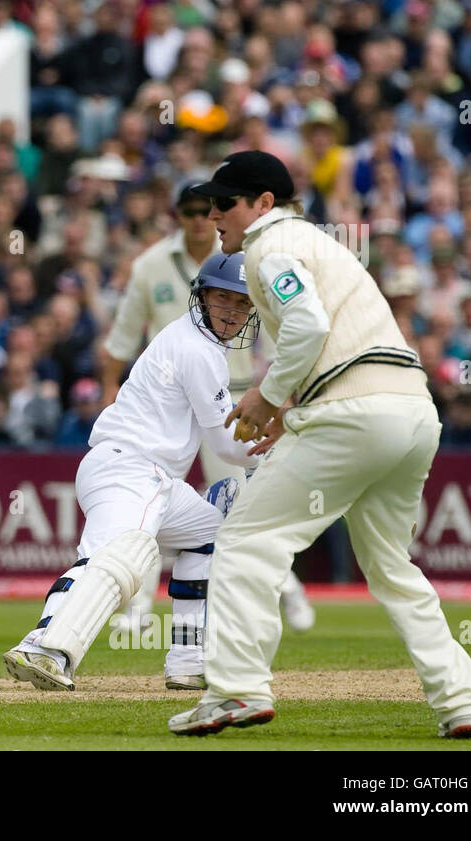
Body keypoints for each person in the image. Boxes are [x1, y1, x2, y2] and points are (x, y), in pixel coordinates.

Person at [168, 151, 471, 738]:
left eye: (225, 202)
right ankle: (458, 699)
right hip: (411, 412)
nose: (213, 214)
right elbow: (333, 340)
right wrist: (288, 406)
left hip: (354, 414)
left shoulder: (270, 246)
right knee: (392, 566)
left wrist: (267, 396)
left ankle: (236, 690)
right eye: (210, 202)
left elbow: (308, 325)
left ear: (263, 204)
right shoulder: (323, 246)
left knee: (244, 537)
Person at [3, 251, 260, 691]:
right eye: (223, 300)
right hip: (132, 469)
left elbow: (226, 440)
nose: (232, 313)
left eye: (241, 304)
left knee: (210, 534)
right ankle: (43, 645)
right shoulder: (198, 349)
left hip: (154, 478)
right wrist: (279, 458)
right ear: (201, 298)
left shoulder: (194, 341)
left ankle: (187, 659)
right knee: (115, 555)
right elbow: (224, 444)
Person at [99, 183, 315, 636]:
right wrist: (109, 394)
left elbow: (278, 340)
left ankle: (288, 589)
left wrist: (277, 396)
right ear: (178, 215)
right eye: (190, 211)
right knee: (150, 500)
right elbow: (120, 341)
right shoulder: (150, 265)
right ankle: (139, 610)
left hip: (235, 399)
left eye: (207, 211)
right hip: (168, 403)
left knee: (238, 506)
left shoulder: (246, 262)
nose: (200, 219)